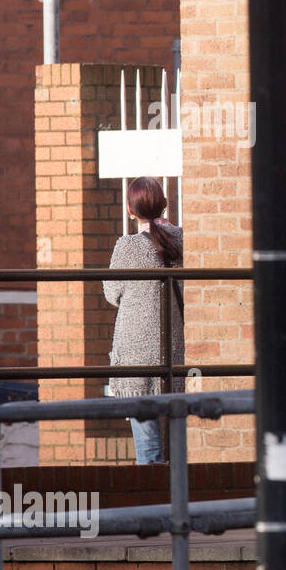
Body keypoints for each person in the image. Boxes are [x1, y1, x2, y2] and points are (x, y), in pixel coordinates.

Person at [104, 177, 184, 465]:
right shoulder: (183, 240)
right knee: (179, 444)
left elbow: (112, 294)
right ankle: (180, 503)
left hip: (136, 355)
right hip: (175, 351)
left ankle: (154, 506)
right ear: (164, 205)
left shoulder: (126, 247)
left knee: (148, 451)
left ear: (130, 209)